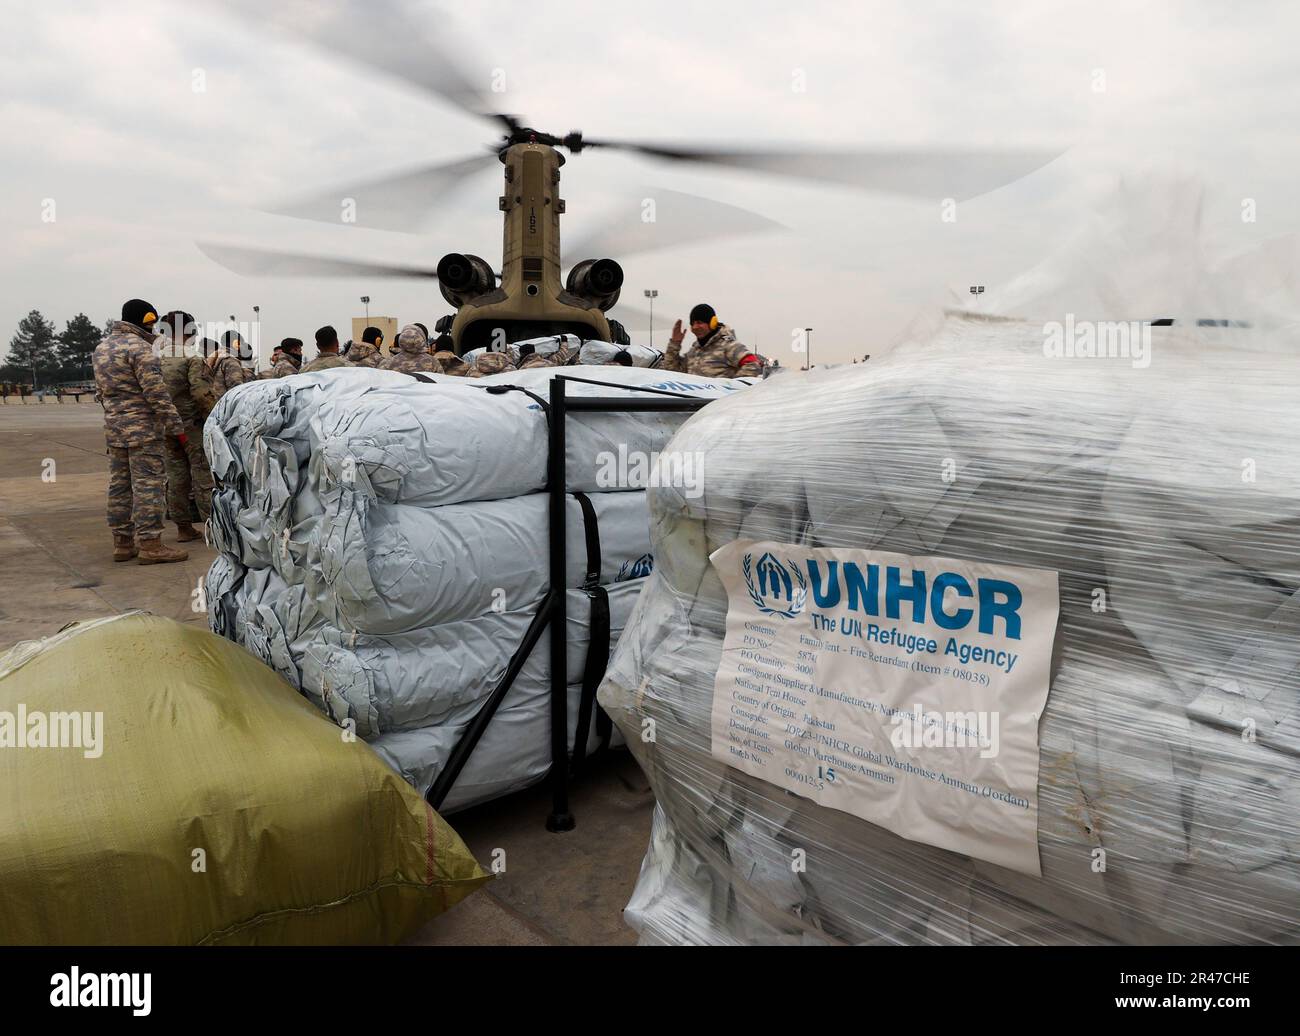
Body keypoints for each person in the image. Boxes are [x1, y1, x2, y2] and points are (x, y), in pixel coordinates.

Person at [92, 299, 189, 564]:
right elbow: (156, 393)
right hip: (143, 430)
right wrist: (177, 427)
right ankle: (151, 545)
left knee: (120, 486)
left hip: (114, 428)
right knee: (148, 486)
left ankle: (122, 543)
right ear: (146, 320)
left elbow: (101, 392)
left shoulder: (101, 349)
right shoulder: (142, 349)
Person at [157, 311, 216, 540]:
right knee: (203, 475)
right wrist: (215, 417)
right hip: (191, 426)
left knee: (175, 477)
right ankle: (213, 526)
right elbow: (202, 395)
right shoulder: (192, 356)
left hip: (165, 425)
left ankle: (183, 527)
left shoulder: (154, 356)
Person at [663, 303, 763, 378]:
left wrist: (731, 391)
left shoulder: (729, 345)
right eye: (692, 324)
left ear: (712, 323)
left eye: (699, 322)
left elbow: (753, 365)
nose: (695, 327)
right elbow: (672, 372)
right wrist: (674, 344)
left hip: (720, 404)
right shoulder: (694, 351)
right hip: (695, 403)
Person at [203, 337, 251, 401]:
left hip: (214, 405)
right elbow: (237, 392)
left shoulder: (215, 357)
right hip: (225, 407)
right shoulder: (231, 361)